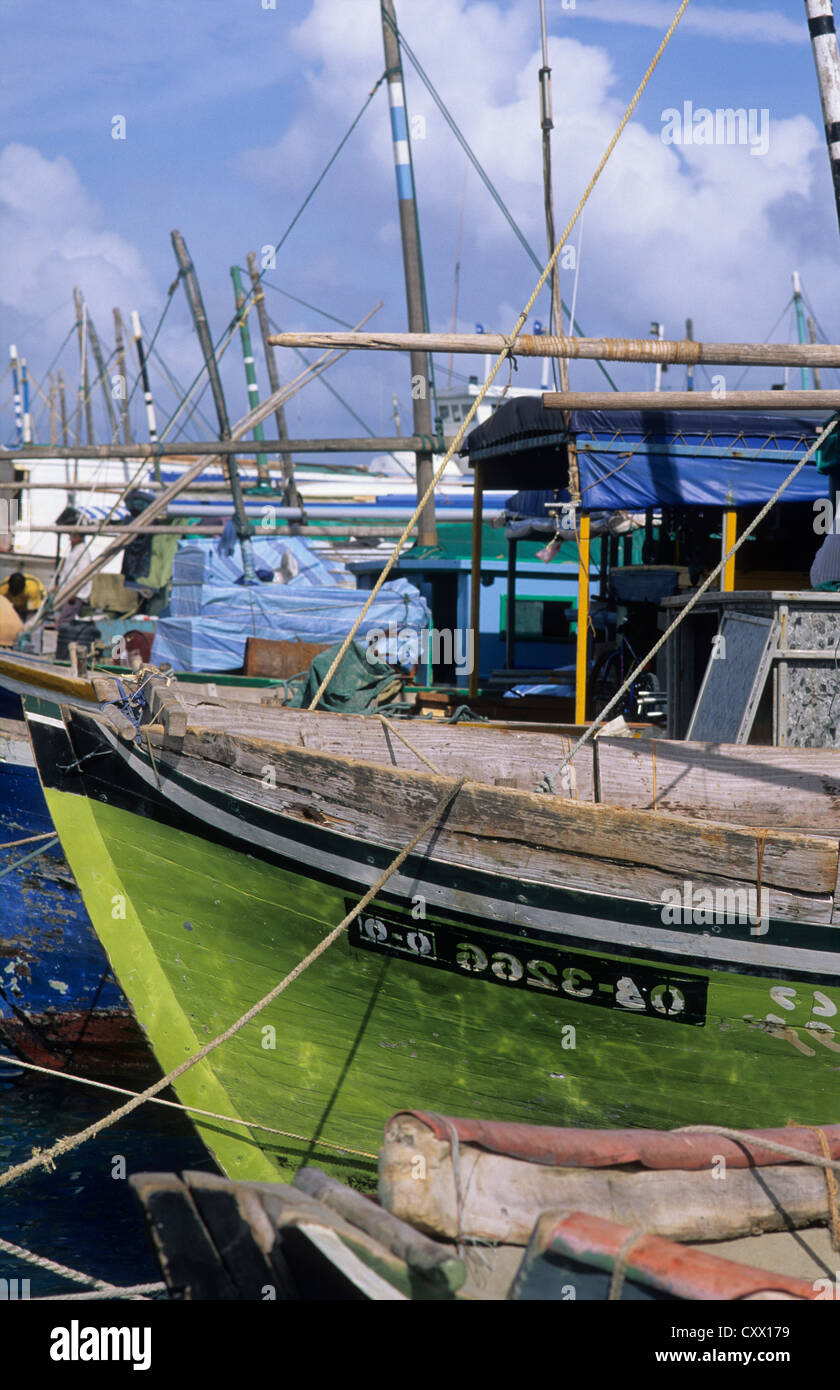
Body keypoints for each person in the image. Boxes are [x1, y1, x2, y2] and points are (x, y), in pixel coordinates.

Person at [54, 532, 92, 624]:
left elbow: (82, 574)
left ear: (80, 537)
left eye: (74, 536)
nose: (71, 539)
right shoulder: (74, 551)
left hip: (74, 595)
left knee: (65, 622)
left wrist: (74, 592)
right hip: (67, 592)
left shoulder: (83, 552)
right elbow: (66, 572)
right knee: (61, 621)